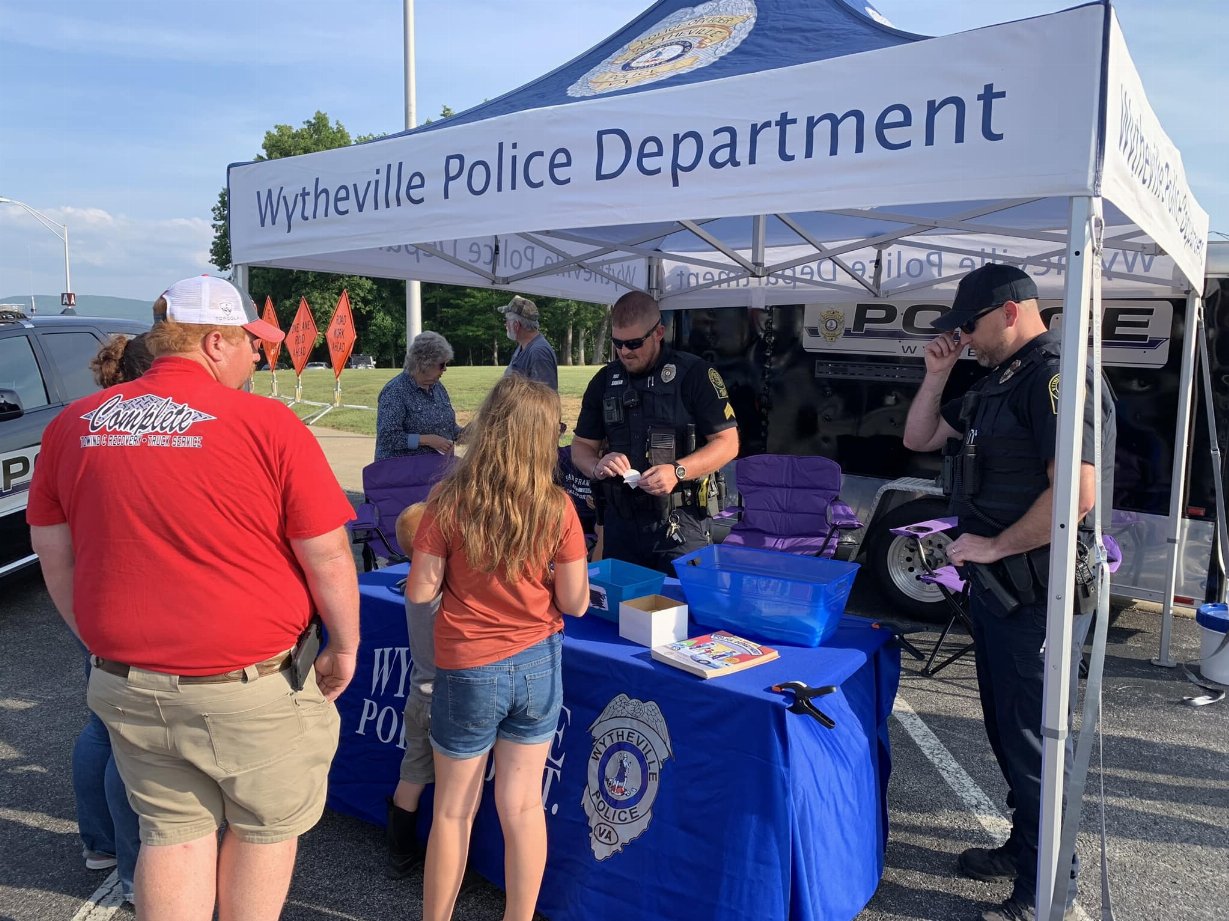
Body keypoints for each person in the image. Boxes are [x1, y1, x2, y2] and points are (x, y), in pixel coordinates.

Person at [26, 275, 360, 921]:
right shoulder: (265, 422)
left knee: (171, 833)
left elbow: (53, 551)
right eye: (250, 343)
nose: (257, 356)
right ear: (214, 341)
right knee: (263, 828)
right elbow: (326, 553)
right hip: (247, 685)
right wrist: (344, 643)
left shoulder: (74, 424)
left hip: (128, 680)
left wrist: (97, 639)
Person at [901, 264, 1116, 921]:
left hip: (1038, 594)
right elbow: (918, 437)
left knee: (1035, 741)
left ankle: (1046, 892)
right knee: (1007, 731)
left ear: (1011, 311)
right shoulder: (1000, 379)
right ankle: (1026, 850)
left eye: (969, 325)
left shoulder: (1055, 374)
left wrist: (994, 546)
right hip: (1002, 595)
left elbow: (1075, 493)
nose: (963, 337)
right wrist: (937, 373)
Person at [406, 374, 589, 921]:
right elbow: (576, 603)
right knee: (523, 806)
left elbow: (419, 591)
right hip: (537, 664)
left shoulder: (449, 500)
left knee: (452, 812)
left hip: (467, 665)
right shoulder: (558, 507)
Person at [70, 332, 154, 905]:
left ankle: (100, 844)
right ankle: (131, 874)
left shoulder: (82, 425)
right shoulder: (141, 430)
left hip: (91, 591)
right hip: (129, 597)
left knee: (103, 727)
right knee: (129, 739)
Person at [570, 291, 739, 573]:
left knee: (681, 599)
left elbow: (728, 443)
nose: (625, 351)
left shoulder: (694, 374)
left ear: (659, 332)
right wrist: (597, 466)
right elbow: (581, 447)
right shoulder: (604, 381)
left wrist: (677, 471)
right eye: (618, 343)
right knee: (623, 600)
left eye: (634, 343)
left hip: (679, 522)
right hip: (621, 523)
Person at [385, 502, 435, 878]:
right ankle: (448, 864)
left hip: (421, 695)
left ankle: (400, 854)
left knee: (413, 772)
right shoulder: (448, 589)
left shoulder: (412, 585)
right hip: (451, 699)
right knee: (454, 789)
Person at [375, 331, 462, 461]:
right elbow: (387, 438)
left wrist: (470, 432)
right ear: (424, 364)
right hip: (404, 469)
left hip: (435, 466)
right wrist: (427, 440)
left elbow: (448, 428)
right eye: (442, 364)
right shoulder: (395, 391)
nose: (445, 369)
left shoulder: (438, 387)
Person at [499, 295, 558, 390]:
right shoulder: (523, 346)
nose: (505, 324)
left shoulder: (539, 352)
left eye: (506, 320)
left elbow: (545, 396)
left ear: (516, 325)